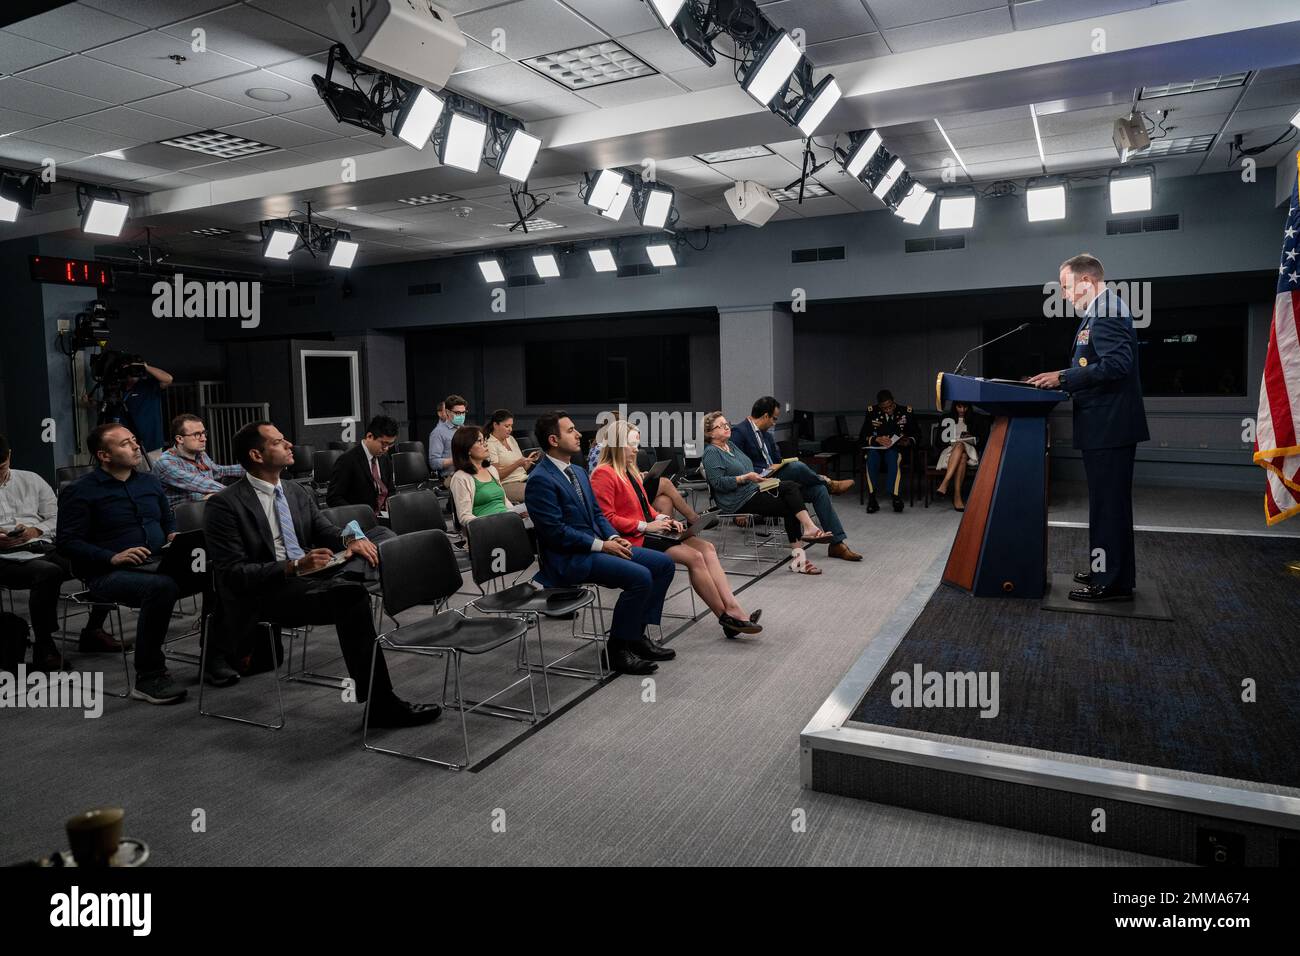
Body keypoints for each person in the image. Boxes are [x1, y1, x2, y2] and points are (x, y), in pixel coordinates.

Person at [203, 421, 442, 727]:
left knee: (376, 537)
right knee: (351, 597)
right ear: (257, 455)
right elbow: (233, 575)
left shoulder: (295, 490)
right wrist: (294, 566)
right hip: (269, 589)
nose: (289, 444)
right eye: (278, 442)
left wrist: (350, 541)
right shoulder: (225, 505)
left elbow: (325, 531)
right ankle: (382, 705)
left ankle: (351, 577)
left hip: (312, 576)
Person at [1029, 253, 1149, 602]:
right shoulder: (1102, 310)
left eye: (1067, 286)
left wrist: (1064, 377)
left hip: (1110, 426)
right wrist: (1062, 379)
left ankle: (1111, 584)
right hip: (1105, 424)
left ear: (1085, 281)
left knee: (1109, 506)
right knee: (1105, 504)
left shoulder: (1107, 311)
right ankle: (1107, 570)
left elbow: (1117, 365)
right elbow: (1098, 365)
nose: (1065, 294)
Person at [525, 411, 675, 676]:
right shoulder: (540, 480)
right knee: (640, 577)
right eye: (571, 430)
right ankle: (617, 650)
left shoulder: (579, 471)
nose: (579, 434)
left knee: (663, 565)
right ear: (553, 439)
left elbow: (597, 515)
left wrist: (614, 537)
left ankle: (635, 637)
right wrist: (601, 545)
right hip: (568, 558)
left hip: (596, 546)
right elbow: (556, 533)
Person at [592, 420, 761, 640]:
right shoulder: (603, 474)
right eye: (631, 444)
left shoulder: (629, 471)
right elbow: (607, 519)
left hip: (648, 531)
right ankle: (727, 616)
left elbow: (645, 509)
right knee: (695, 557)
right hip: (632, 538)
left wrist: (663, 518)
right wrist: (646, 525)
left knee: (707, 547)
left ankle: (732, 608)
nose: (636, 449)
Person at [56, 424, 186, 704]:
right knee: (162, 588)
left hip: (156, 560)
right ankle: (149, 676)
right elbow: (67, 543)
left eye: (134, 441)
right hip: (107, 573)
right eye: (126, 443)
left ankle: (219, 655)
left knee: (215, 570)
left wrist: (173, 533)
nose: (136, 446)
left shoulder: (149, 482)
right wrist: (111, 557)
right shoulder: (79, 491)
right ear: (104, 455)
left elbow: (167, 519)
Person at [0, 435, 115, 669]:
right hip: (4, 558)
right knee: (48, 573)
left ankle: (93, 629)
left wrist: (35, 529)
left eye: (1, 467)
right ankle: (44, 646)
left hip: (40, 544)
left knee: (103, 558)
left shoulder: (30, 479)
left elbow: (59, 517)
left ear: (9, 456)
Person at [701, 411, 834, 574]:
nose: (726, 427)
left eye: (726, 424)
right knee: (791, 497)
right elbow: (718, 483)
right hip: (735, 501)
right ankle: (807, 538)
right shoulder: (711, 453)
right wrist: (745, 477)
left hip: (751, 490)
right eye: (720, 426)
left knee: (791, 493)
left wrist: (758, 476)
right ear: (709, 433)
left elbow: (746, 467)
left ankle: (802, 553)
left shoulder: (731, 446)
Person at [730, 396, 861, 561]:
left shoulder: (767, 436)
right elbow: (736, 466)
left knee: (817, 490)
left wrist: (777, 466)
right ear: (765, 416)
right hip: (757, 484)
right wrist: (763, 472)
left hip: (775, 481)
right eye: (774, 419)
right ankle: (829, 484)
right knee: (796, 467)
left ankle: (837, 544)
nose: (774, 423)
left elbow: (777, 461)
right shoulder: (739, 433)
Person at [590, 410, 702, 524]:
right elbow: (608, 479)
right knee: (665, 483)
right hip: (620, 493)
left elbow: (622, 472)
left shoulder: (617, 451)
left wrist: (638, 476)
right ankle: (693, 518)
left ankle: (666, 533)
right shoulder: (603, 449)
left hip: (629, 487)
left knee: (665, 501)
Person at [153, 413, 244, 508]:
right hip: (181, 515)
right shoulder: (165, 463)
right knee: (219, 499)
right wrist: (238, 494)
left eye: (204, 433)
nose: (204, 438)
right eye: (197, 434)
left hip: (204, 508)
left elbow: (218, 471)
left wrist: (251, 467)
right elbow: (201, 483)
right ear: (180, 439)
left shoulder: (200, 454)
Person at [861, 389, 918, 514]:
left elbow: (917, 435)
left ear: (893, 401)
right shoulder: (872, 412)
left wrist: (908, 440)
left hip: (895, 449)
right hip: (877, 449)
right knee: (870, 458)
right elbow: (862, 436)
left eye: (890, 406)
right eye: (884, 408)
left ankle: (895, 497)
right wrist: (876, 439)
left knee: (893, 458)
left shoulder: (906, 412)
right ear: (880, 406)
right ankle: (872, 498)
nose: (888, 410)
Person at [326, 414, 397, 512]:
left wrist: (390, 504)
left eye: (390, 444)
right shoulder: (347, 460)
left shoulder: (384, 459)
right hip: (359, 519)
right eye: (383, 443)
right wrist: (358, 513)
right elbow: (333, 498)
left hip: (383, 515)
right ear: (369, 436)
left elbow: (391, 490)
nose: (386, 448)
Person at [448, 425, 512, 525]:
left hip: (506, 521)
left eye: (484, 440)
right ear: (467, 448)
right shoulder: (460, 478)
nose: (485, 444)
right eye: (479, 441)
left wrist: (516, 514)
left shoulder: (491, 470)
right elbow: (464, 517)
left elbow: (505, 502)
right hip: (485, 529)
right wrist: (491, 523)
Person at [933, 401, 987, 512]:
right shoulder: (946, 418)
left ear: (969, 407)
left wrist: (972, 437)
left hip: (970, 452)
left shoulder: (976, 418)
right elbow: (938, 442)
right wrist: (953, 443)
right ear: (954, 406)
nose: (962, 410)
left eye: (965, 407)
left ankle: (945, 483)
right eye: (959, 407)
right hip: (950, 452)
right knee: (961, 454)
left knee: (961, 445)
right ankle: (957, 497)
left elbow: (983, 441)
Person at [485, 409, 537, 505]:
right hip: (507, 484)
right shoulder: (490, 444)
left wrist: (528, 462)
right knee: (539, 492)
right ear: (495, 425)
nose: (510, 429)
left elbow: (523, 469)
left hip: (524, 478)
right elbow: (496, 476)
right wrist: (517, 464)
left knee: (549, 485)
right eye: (506, 426)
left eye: (511, 426)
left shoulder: (511, 439)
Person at [120, 361, 173, 454]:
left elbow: (168, 379)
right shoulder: (118, 388)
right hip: (124, 443)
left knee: (150, 468)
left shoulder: (148, 385)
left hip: (149, 444)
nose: (132, 372)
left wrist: (145, 367)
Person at [427, 394, 466, 478]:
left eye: (463, 412)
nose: (461, 416)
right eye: (457, 413)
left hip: (468, 474)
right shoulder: (438, 433)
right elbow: (433, 463)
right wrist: (457, 460)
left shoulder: (465, 429)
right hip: (450, 478)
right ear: (448, 412)